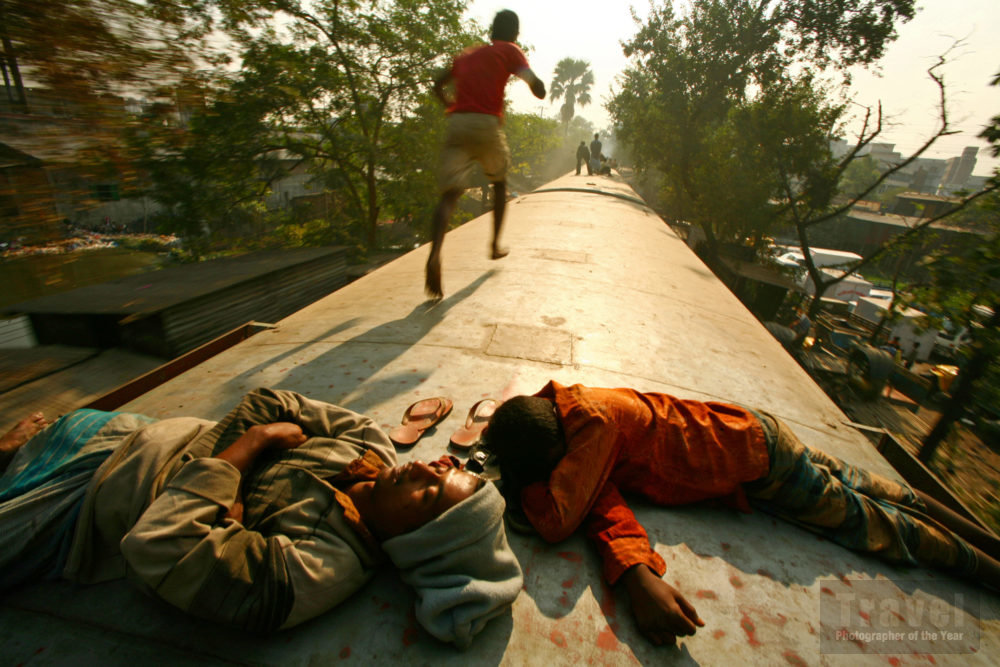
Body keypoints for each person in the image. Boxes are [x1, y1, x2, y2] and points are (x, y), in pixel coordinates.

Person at [483, 380, 1000, 647]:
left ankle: (987, 569)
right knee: (878, 489)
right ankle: (984, 537)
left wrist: (525, 483)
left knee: (881, 527)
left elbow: (557, 521)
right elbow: (602, 501)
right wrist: (635, 570)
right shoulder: (567, 405)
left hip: (760, 465)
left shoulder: (591, 432)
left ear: (561, 456)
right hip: (752, 430)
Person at [0, 389, 522, 647]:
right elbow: (270, 400)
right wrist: (226, 485)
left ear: (414, 540)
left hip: (80, 507)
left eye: (429, 496)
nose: (423, 471)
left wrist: (254, 443)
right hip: (124, 433)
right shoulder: (369, 442)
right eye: (441, 469)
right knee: (58, 430)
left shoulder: (317, 567)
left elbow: (155, 546)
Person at [426, 10, 546, 299]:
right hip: (485, 123)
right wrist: (539, 88)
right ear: (514, 33)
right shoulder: (510, 51)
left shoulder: (468, 55)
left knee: (450, 194)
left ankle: (435, 254)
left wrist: (450, 104)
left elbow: (437, 84)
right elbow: (536, 86)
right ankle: (494, 245)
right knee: (500, 181)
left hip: (458, 122)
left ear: (491, 31)